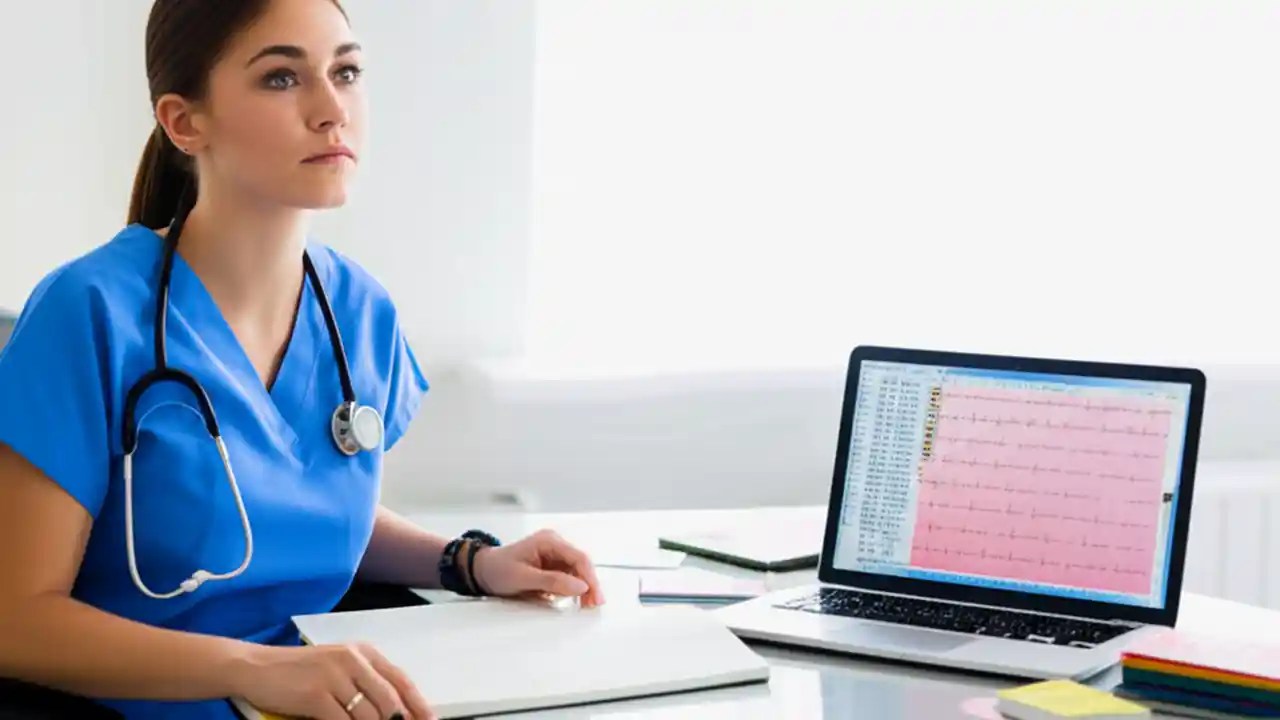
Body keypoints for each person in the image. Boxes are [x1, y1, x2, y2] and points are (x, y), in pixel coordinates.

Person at [0, 1, 605, 718]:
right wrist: (250, 669)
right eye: (282, 79)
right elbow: (15, 620)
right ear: (184, 121)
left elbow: (299, 508)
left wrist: (471, 563)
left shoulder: (359, 312)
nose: (331, 110)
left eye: (345, 71)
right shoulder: (89, 313)